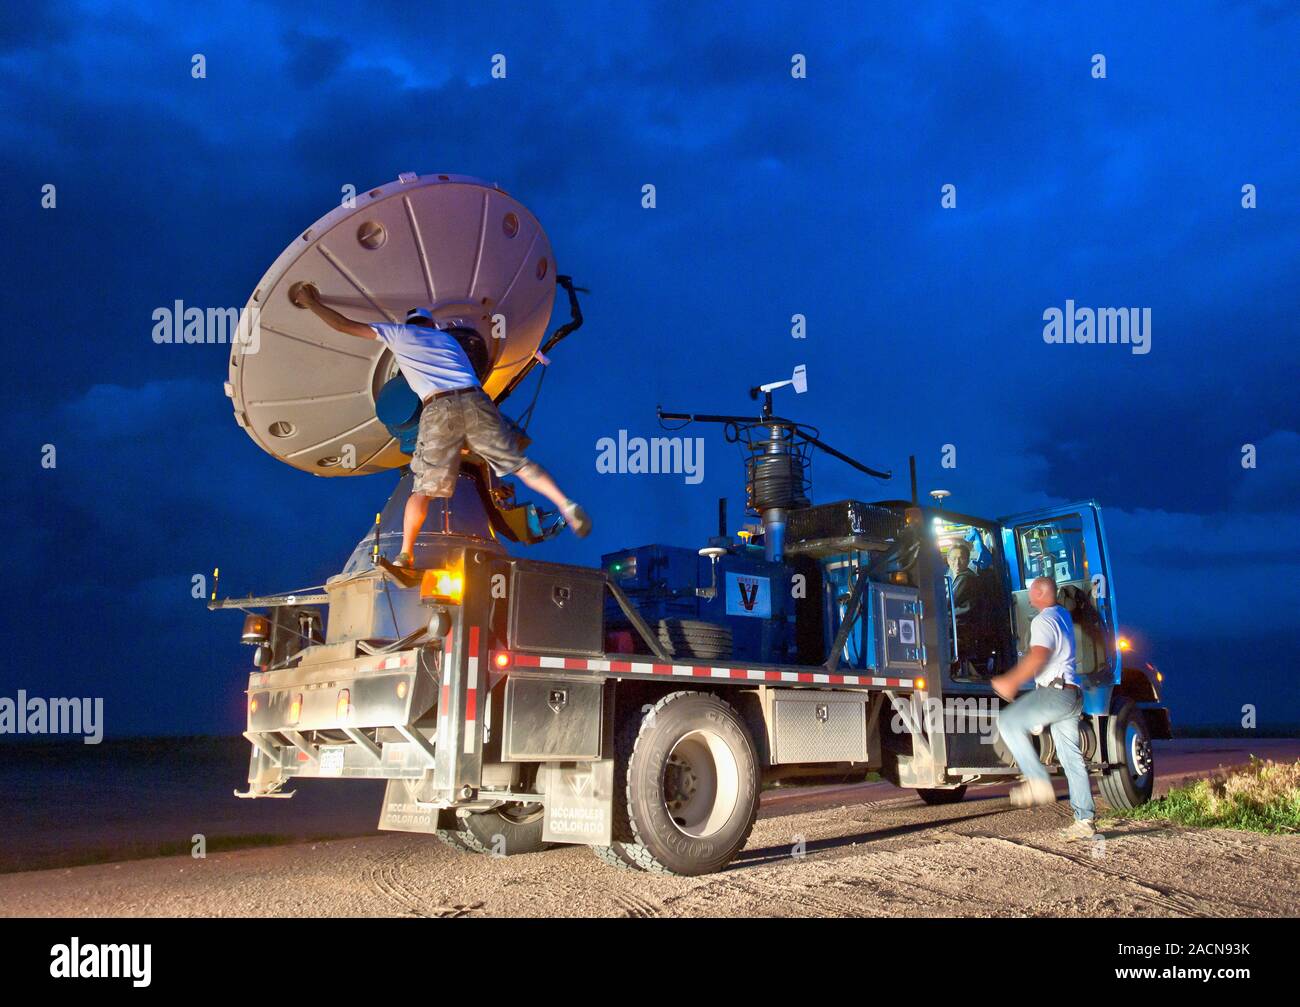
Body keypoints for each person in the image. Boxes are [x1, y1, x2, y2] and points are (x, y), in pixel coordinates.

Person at [291, 284, 591, 565]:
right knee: (519, 465)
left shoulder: (400, 334)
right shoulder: (448, 339)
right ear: (432, 325)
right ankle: (565, 504)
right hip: (477, 401)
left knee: (422, 489)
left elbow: (345, 326)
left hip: (440, 407)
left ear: (409, 326)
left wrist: (312, 302)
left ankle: (406, 554)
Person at [990, 575, 1097, 840]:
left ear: (1038, 593)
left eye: (1030, 592)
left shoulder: (1042, 620)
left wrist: (1010, 681)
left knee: (1008, 722)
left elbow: (1039, 655)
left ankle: (1037, 781)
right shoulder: (1061, 614)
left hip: (1056, 693)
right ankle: (1085, 821)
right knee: (1071, 759)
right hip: (1072, 694)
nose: (1028, 597)